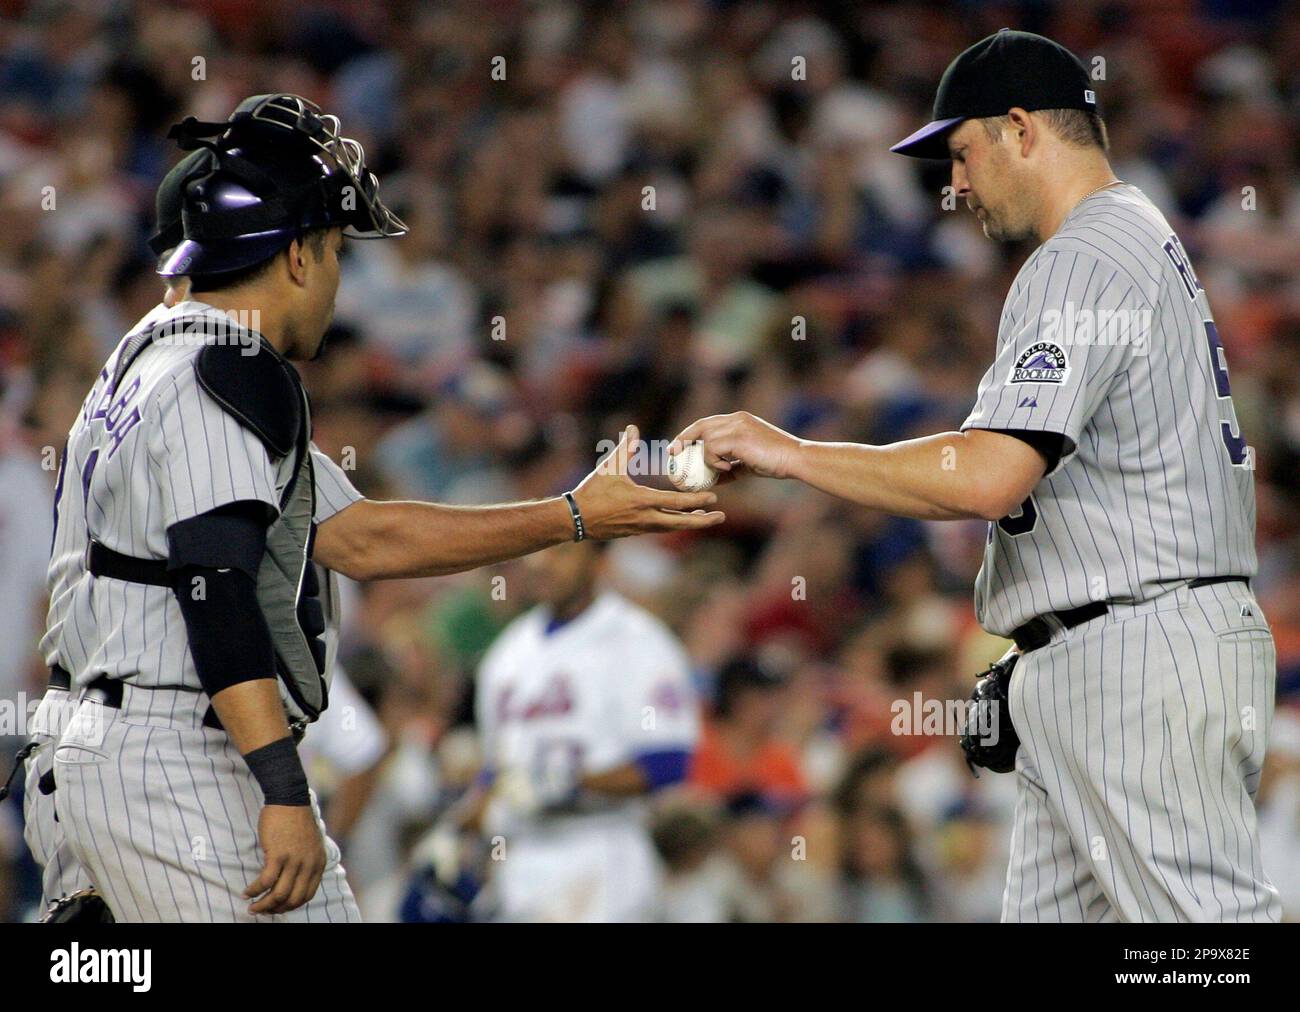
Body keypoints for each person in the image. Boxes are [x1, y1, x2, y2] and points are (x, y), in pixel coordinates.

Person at [42, 94, 723, 923]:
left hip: (87, 749)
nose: (338, 279)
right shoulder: (228, 370)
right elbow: (215, 587)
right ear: (297, 256)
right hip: (173, 757)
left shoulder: (141, 363)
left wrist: (572, 514)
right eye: (335, 252)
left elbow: (364, 537)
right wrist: (284, 790)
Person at [673, 31, 1280, 922]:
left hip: (1139, 653)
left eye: (962, 152)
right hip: (1119, 644)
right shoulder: (1137, 236)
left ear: (1023, 130)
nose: (953, 185)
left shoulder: (1084, 255)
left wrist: (793, 453)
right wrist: (1039, 654)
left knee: (1210, 950)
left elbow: (991, 474)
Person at [459, 539, 699, 922]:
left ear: (600, 561)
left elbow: (667, 763)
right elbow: (496, 771)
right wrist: (457, 830)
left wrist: (570, 782)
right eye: (538, 551)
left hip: (603, 852)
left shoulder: (639, 642)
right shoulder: (505, 655)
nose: (543, 564)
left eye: (562, 552)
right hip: (520, 857)